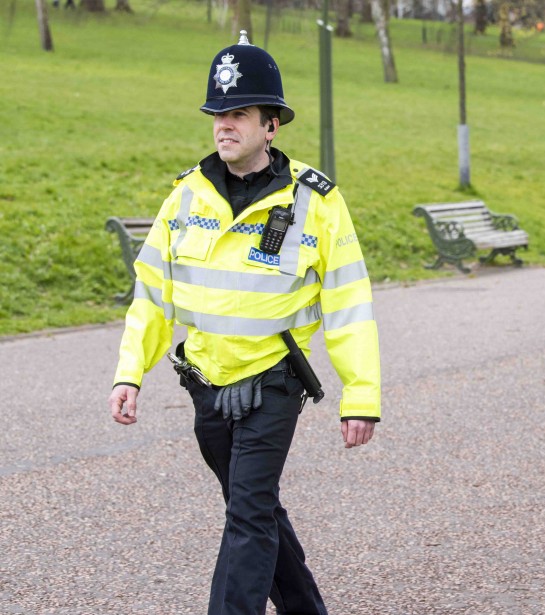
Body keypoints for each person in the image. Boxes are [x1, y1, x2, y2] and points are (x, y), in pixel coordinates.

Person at [107, 31, 381, 615]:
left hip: (274, 382)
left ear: (271, 126)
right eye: (217, 113)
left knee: (249, 512)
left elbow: (349, 301)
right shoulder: (185, 196)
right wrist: (129, 373)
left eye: (238, 113)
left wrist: (361, 395)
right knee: (252, 509)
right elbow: (152, 296)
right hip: (206, 384)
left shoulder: (318, 202)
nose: (224, 124)